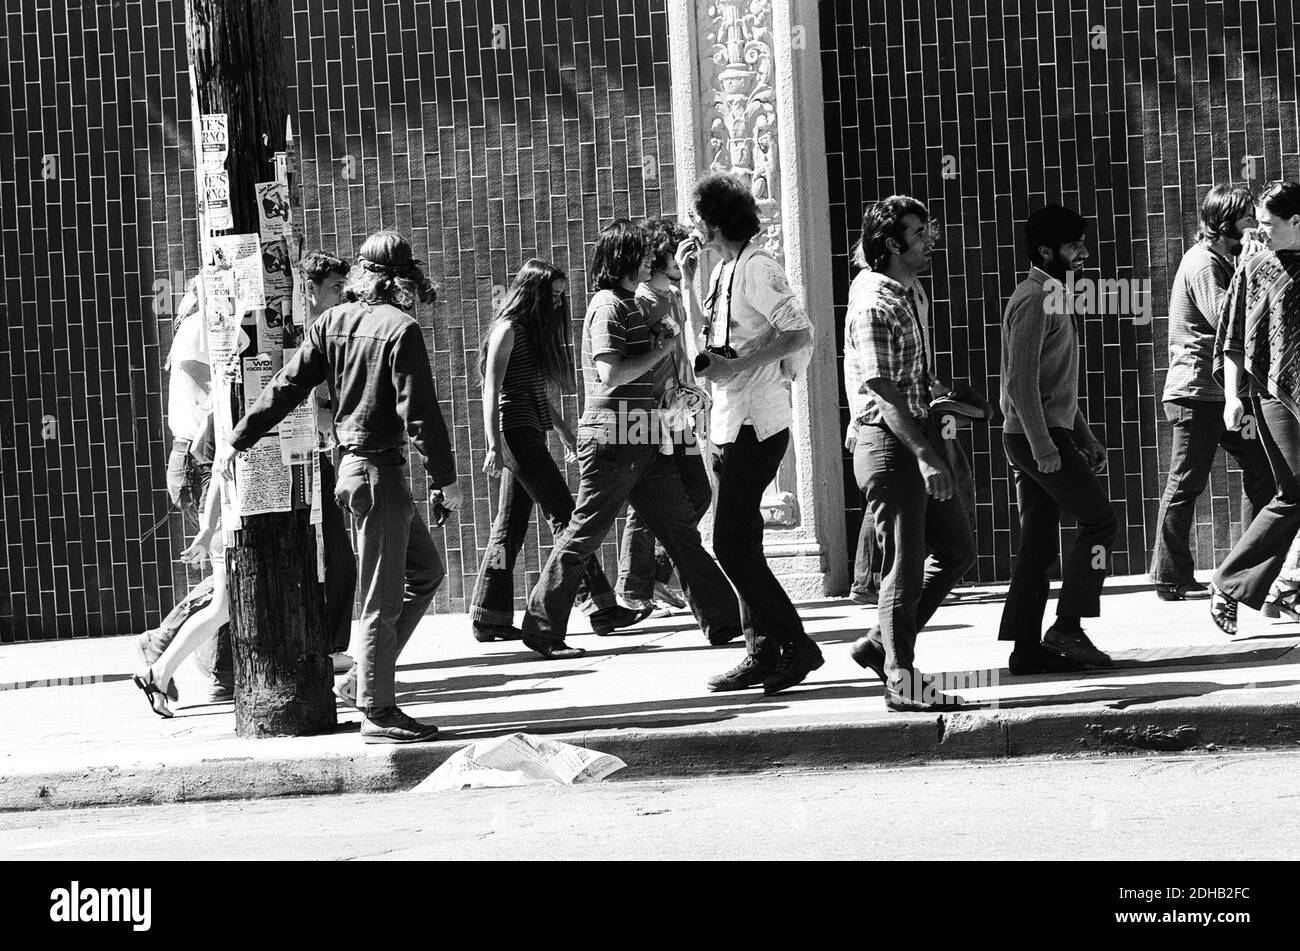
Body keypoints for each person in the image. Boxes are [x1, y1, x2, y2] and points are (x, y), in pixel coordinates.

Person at [215, 230, 461, 744]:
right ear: (400, 281)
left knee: (426, 572)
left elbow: (285, 386)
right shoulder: (402, 329)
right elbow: (420, 415)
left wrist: (239, 437)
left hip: (352, 470)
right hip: (379, 474)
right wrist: (446, 480)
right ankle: (377, 709)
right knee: (380, 598)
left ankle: (363, 681)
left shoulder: (331, 322)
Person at [518, 219, 743, 659]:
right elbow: (610, 373)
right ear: (622, 259)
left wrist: (659, 340)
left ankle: (725, 621)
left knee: (680, 531)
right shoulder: (608, 306)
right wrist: (662, 347)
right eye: (640, 254)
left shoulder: (627, 303)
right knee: (585, 533)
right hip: (613, 439)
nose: (648, 260)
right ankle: (541, 628)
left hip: (641, 436)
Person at [680, 172, 822, 695]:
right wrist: (690, 281)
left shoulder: (759, 268)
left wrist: (737, 366)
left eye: (698, 217)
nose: (693, 226)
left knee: (730, 544)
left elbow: (799, 331)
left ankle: (795, 644)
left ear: (717, 220)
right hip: (726, 423)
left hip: (755, 424)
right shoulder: (722, 271)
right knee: (743, 541)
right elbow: (710, 342)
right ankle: (761, 650)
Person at [840, 195, 979, 710]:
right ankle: (901, 680)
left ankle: (881, 646)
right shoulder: (876, 301)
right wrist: (924, 455)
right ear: (890, 245)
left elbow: (906, 377)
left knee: (958, 551)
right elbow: (882, 390)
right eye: (918, 233)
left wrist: (941, 391)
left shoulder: (909, 290)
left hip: (914, 430)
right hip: (891, 442)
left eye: (927, 229)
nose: (930, 239)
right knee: (905, 561)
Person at [472, 259, 647, 641]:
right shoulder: (507, 329)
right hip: (515, 434)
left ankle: (489, 614)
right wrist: (492, 446)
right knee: (566, 517)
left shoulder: (530, 333)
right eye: (552, 295)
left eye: (561, 296)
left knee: (510, 525)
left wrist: (566, 434)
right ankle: (600, 607)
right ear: (531, 292)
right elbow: (491, 389)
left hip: (530, 431)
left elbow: (538, 394)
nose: (557, 303)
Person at [998, 205, 1118, 673]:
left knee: (1039, 546)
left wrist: (1083, 435)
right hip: (1034, 438)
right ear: (1047, 251)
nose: (1084, 252)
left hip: (1043, 433)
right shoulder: (1033, 299)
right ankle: (1068, 625)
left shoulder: (1054, 295)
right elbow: (1020, 385)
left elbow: (1051, 384)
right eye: (1074, 246)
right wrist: (1046, 447)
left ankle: (1026, 649)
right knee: (1100, 523)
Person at [1150, 185, 1273, 601]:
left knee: (1263, 473)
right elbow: (1226, 318)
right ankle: (1169, 575)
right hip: (1195, 392)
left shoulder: (1226, 258)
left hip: (1224, 393)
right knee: (1185, 482)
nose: (1254, 226)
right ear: (1224, 224)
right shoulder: (1203, 261)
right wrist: (1253, 264)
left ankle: (1244, 570)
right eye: (1246, 220)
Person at [135, 280, 233, 703]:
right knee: (227, 564)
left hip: (199, 458)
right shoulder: (197, 328)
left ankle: (215, 668)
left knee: (228, 566)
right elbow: (212, 392)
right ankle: (173, 644)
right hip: (198, 460)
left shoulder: (204, 328)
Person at [1210, 181, 1300, 634]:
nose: (1259, 232)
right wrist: (1230, 396)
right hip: (1273, 394)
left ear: (1296, 221)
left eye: (1267, 224)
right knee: (1296, 490)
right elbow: (1232, 339)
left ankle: (1283, 587)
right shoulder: (1257, 268)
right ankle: (1233, 582)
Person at [615, 216, 714, 619]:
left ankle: (656, 572)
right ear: (659, 254)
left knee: (698, 493)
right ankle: (632, 587)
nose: (684, 256)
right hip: (651, 414)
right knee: (650, 501)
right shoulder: (641, 300)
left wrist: (689, 278)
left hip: (676, 413)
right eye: (677, 250)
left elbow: (695, 330)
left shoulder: (671, 294)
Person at [132, 456, 228, 718]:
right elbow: (217, 464)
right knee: (222, 606)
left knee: (223, 607)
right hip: (230, 518)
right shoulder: (223, 421)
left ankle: (159, 671)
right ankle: (160, 669)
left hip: (228, 516)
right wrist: (207, 530)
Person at [301, 250, 361, 667]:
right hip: (301, 456)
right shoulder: (301, 332)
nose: (343, 295)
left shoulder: (330, 327)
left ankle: (332, 646)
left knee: (339, 556)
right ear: (310, 290)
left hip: (321, 453)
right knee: (337, 557)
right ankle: (332, 649)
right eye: (335, 288)